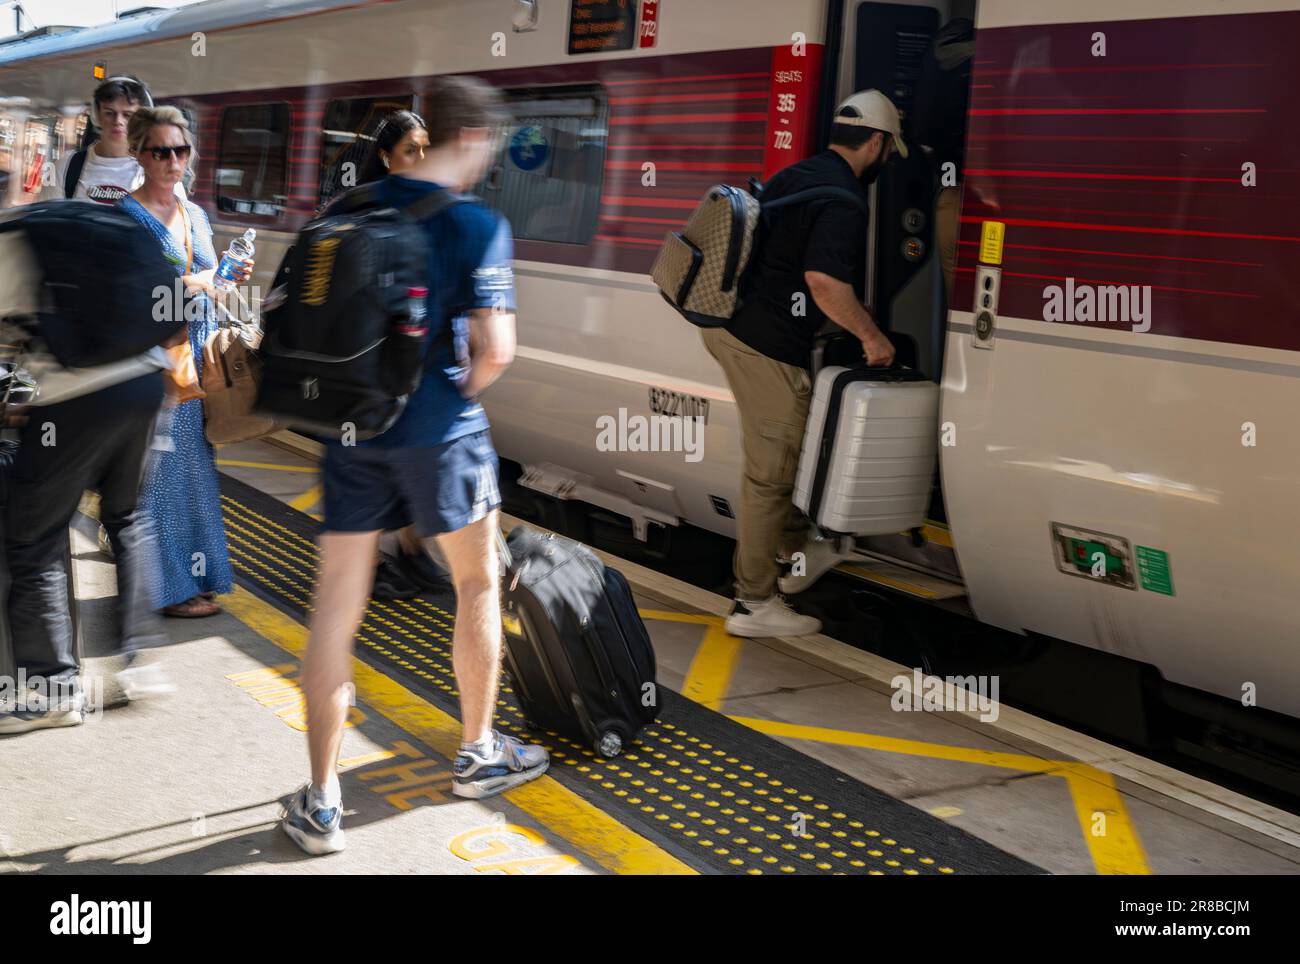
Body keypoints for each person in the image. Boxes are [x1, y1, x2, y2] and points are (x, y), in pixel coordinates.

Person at [281, 76, 547, 855]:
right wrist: (449, 394)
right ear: (474, 141)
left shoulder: (349, 208)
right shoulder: (475, 223)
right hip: (441, 431)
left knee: (337, 604)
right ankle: (477, 753)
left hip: (349, 430)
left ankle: (321, 802)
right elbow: (496, 353)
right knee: (475, 581)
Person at [702, 89, 904, 638]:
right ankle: (753, 604)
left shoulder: (800, 173)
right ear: (880, 143)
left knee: (789, 448)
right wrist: (873, 339)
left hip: (737, 328)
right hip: (763, 342)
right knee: (770, 473)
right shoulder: (843, 200)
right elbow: (823, 283)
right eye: (891, 152)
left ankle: (798, 552)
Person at [0, 226, 171, 734]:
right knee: (127, 514)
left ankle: (52, 690)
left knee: (35, 535)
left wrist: (19, 400)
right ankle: (140, 660)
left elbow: (15, 345)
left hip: (80, 398)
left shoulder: (12, 242)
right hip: (144, 384)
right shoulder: (63, 229)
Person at [118, 106, 252, 619]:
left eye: (181, 150)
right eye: (160, 151)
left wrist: (230, 280)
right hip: (150, 362)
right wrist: (200, 284)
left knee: (195, 473)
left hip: (195, 362)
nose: (173, 161)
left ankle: (197, 577)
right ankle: (170, 589)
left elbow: (215, 289)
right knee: (161, 476)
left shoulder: (194, 215)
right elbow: (133, 296)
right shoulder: (127, 218)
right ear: (139, 154)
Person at [341, 110, 452, 601]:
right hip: (374, 361)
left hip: (414, 359)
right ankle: (373, 567)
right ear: (386, 157)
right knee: (377, 464)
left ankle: (407, 554)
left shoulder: (429, 208)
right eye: (411, 149)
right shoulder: (368, 210)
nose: (422, 159)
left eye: (427, 147)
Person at [40, 75, 184, 206]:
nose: (118, 121)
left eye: (127, 115)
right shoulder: (65, 167)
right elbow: (44, 226)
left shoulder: (160, 168)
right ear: (97, 116)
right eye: (109, 113)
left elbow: (179, 226)